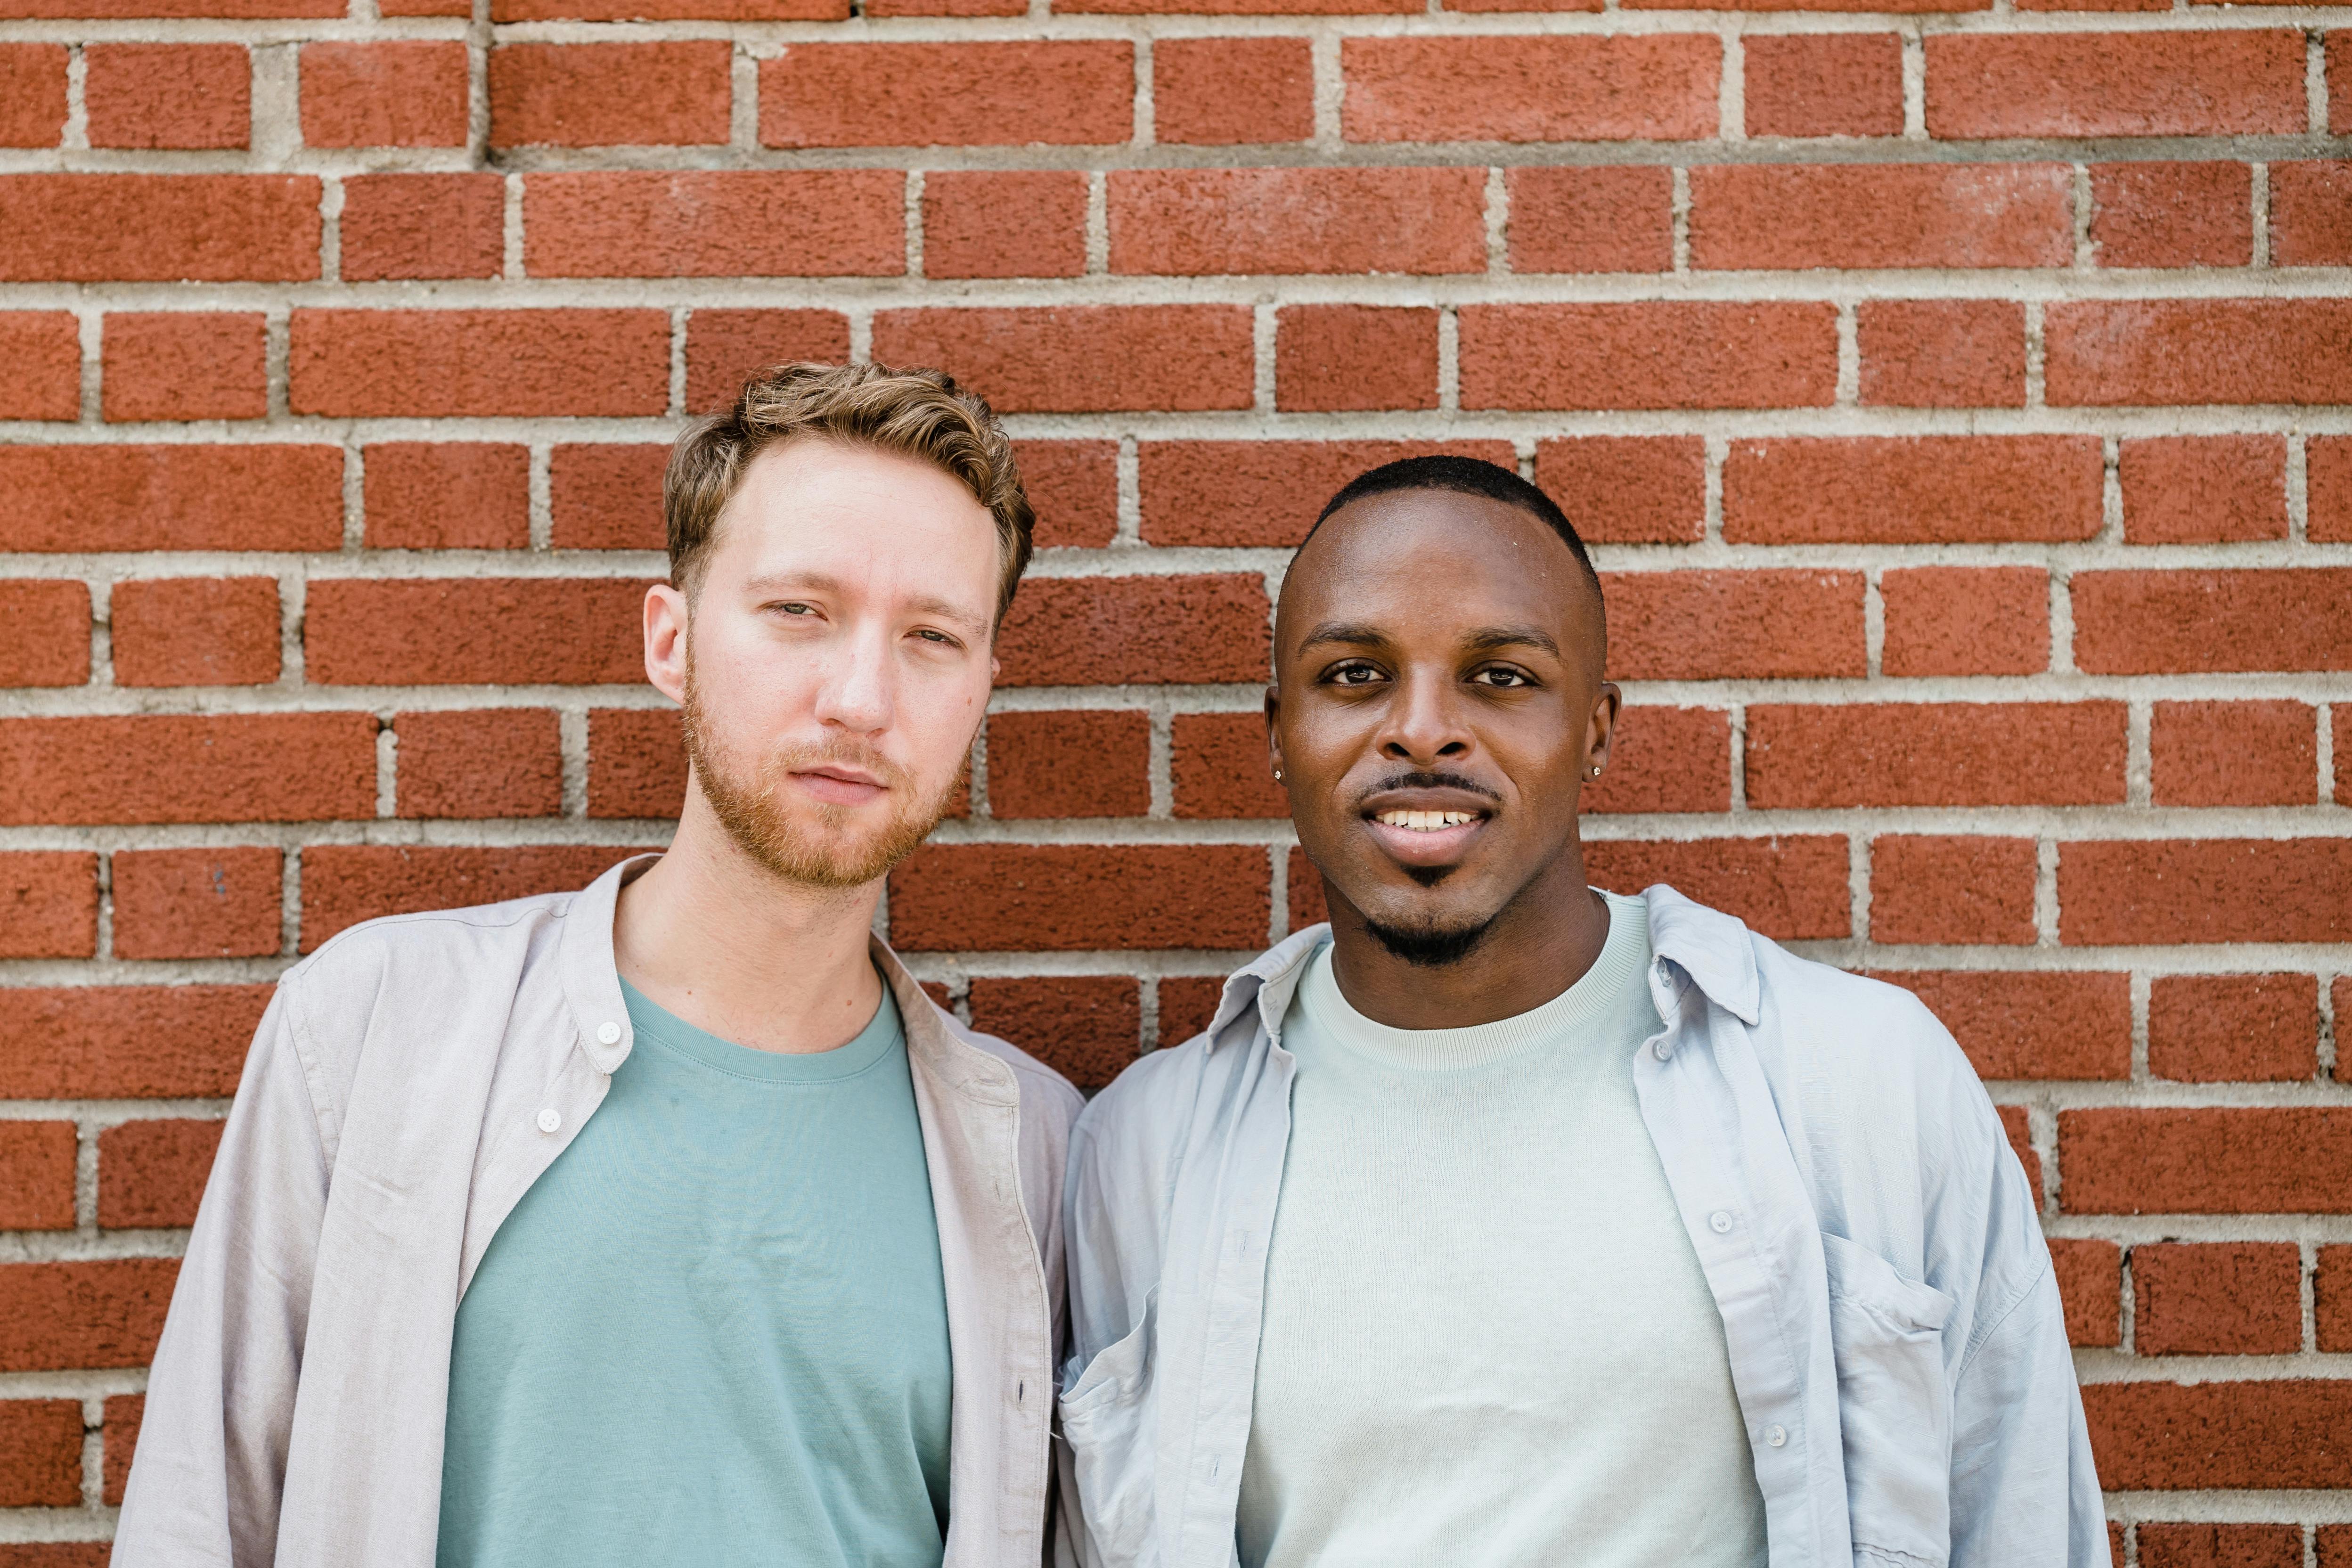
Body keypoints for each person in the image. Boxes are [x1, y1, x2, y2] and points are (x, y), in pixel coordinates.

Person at [1055, 455, 2106, 1568]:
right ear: (1279, 732)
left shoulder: (1865, 1079)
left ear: (1597, 729)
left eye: (1501, 676)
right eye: (1355, 674)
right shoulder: (1146, 1152)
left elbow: (2021, 1519)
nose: (1423, 729)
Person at [114, 363, 1083, 1568]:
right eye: (799, 610)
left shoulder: (1031, 1147)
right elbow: (199, 1518)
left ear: (981, 689)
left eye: (932, 636)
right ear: (671, 641)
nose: (860, 697)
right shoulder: (381, 1026)